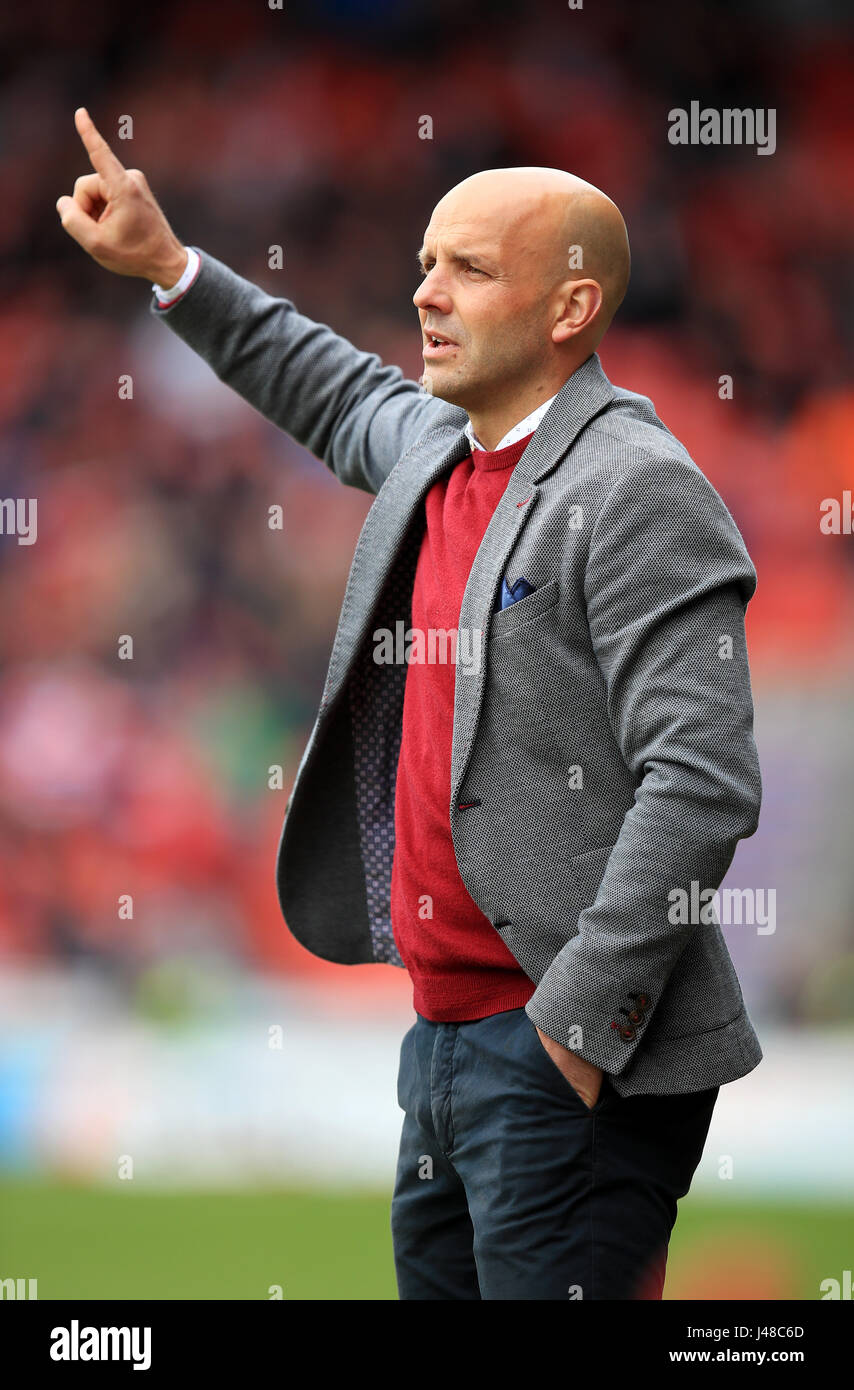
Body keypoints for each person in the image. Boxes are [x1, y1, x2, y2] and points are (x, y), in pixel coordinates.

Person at [58, 107, 763, 1300]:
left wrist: (572, 1035)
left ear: (568, 310)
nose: (426, 292)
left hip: (566, 1052)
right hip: (442, 1039)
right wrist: (171, 268)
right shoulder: (445, 444)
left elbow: (700, 779)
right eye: (427, 262)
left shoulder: (636, 488)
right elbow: (325, 384)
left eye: (469, 269)